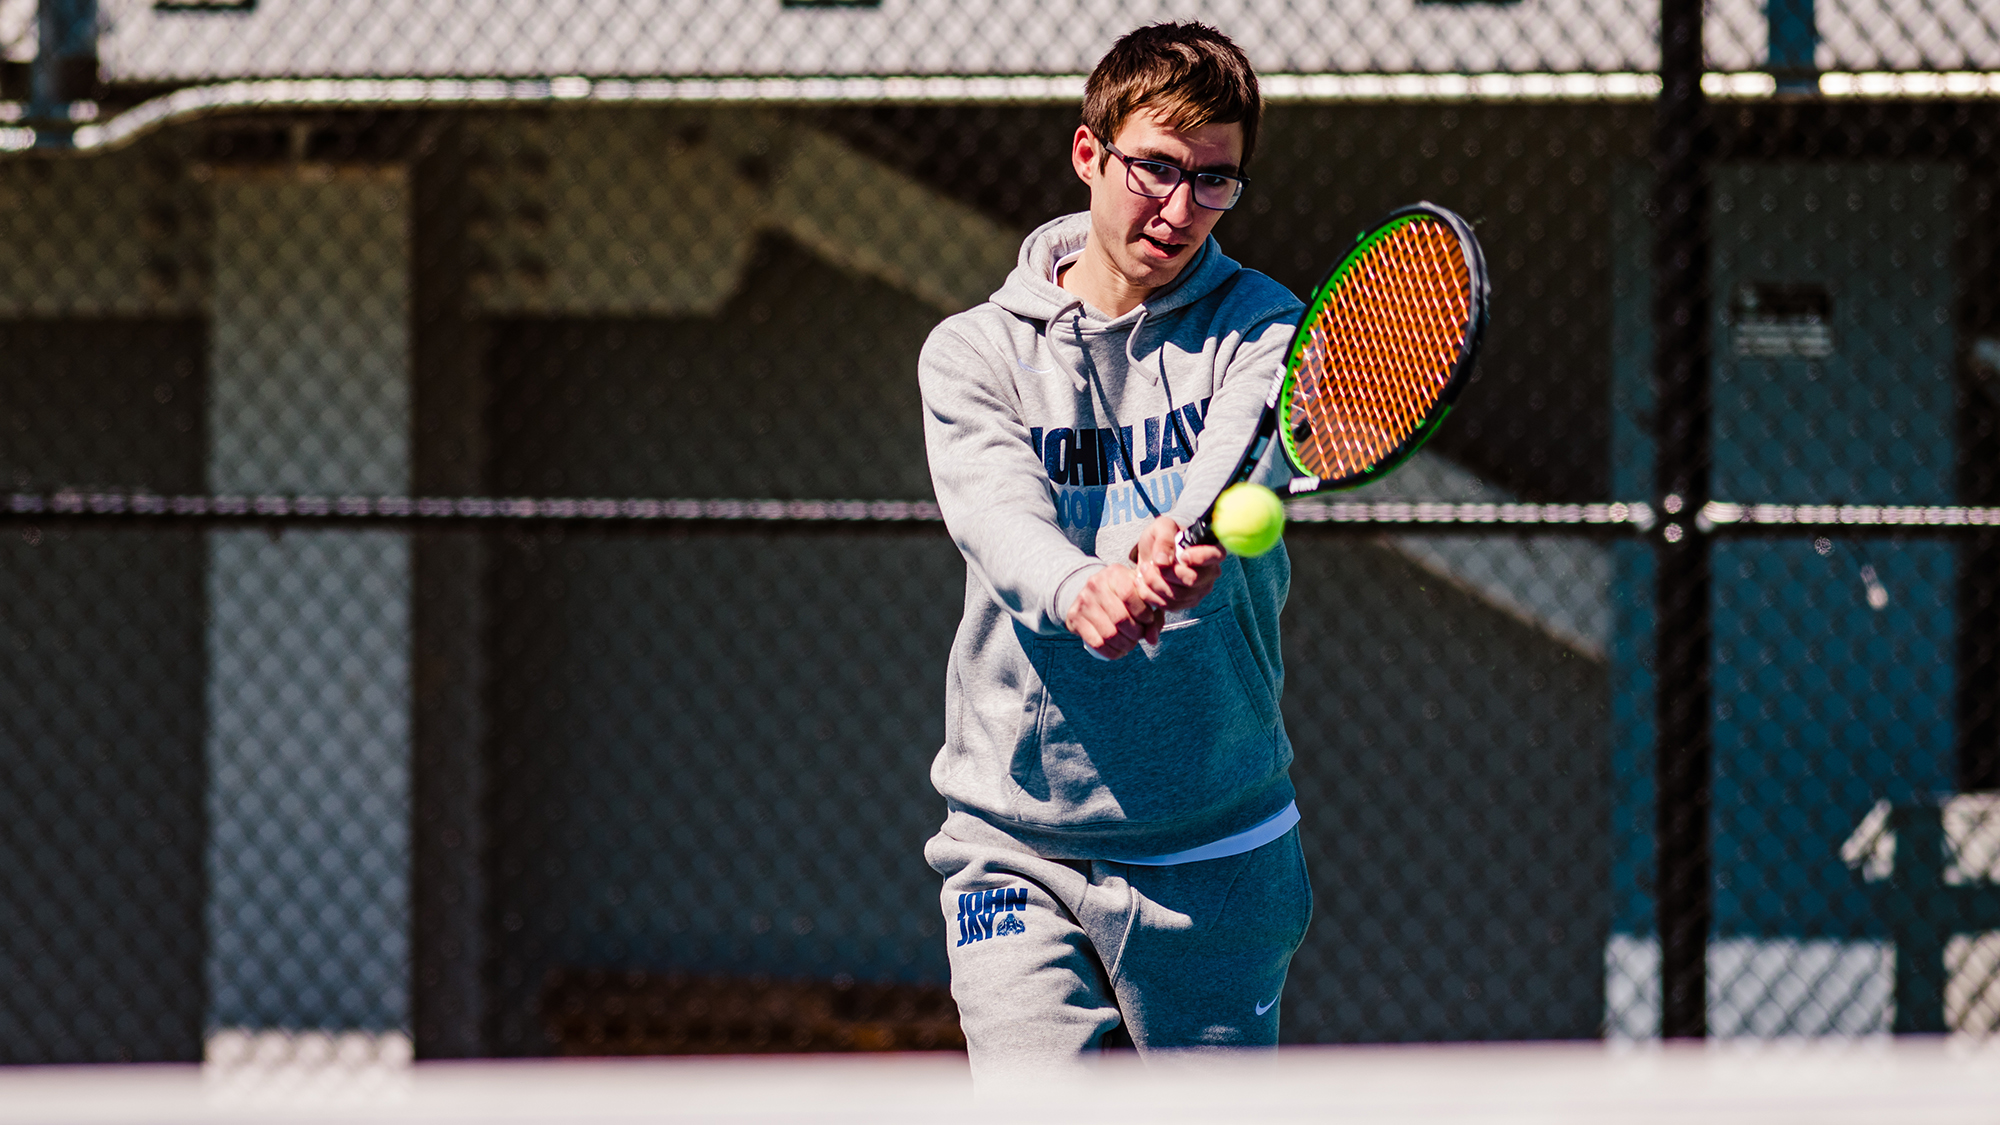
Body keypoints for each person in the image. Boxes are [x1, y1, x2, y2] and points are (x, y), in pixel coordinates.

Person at [917, 22, 1310, 1078]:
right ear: (1089, 154)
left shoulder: (1266, 327)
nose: (1179, 210)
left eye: (1214, 181)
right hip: (1017, 847)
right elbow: (996, 516)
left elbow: (1237, 459)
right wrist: (1079, 584)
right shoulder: (972, 354)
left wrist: (1181, 538)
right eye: (1157, 169)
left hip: (1221, 847)